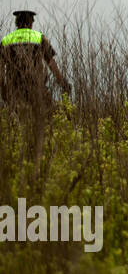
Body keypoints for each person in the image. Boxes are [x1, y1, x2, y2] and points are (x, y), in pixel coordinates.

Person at [1, 9, 72, 161]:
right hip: (36, 88)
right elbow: (51, 63)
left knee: (16, 124)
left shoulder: (6, 40)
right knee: (48, 119)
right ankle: (45, 153)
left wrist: (4, 90)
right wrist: (62, 82)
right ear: (31, 23)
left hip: (14, 89)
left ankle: (18, 156)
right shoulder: (38, 37)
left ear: (17, 23)